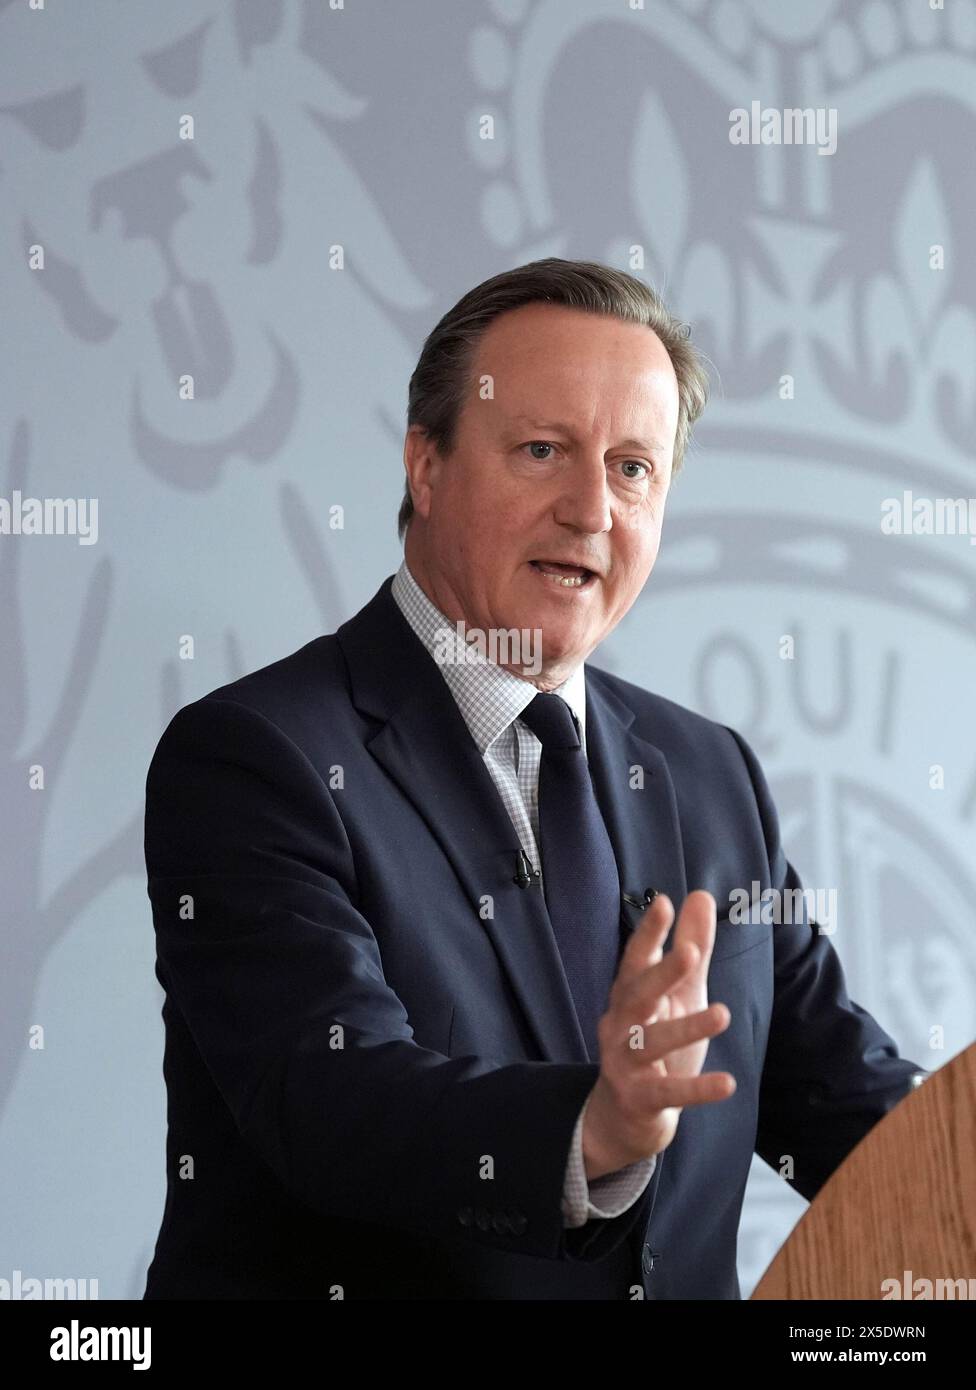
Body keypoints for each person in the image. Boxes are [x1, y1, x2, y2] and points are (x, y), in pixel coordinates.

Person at [142, 258, 923, 1300]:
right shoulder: (256, 755)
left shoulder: (708, 772)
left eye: (634, 467)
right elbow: (328, 1103)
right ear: (426, 466)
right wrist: (596, 1125)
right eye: (543, 450)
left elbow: (839, 1104)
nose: (591, 508)